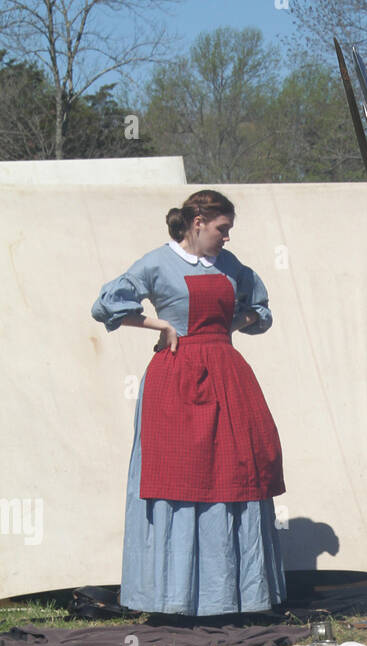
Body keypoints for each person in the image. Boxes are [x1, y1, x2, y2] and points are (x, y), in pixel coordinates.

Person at [92, 189, 287, 619]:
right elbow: (106, 304)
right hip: (176, 379)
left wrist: (235, 323)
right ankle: (173, 598)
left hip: (227, 376)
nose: (227, 237)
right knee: (179, 475)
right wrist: (159, 323)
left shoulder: (231, 267)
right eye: (223, 229)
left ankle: (233, 597)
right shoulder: (156, 263)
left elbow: (260, 307)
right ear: (198, 222)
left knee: (237, 471)